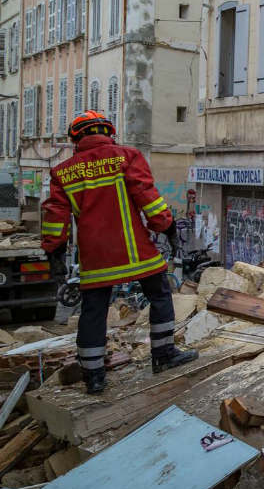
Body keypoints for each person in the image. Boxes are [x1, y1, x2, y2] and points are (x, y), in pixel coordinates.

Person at [40, 111, 198, 394]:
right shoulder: (127, 157)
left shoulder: (62, 172)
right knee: (160, 294)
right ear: (109, 132)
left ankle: (94, 377)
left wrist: (54, 255)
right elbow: (148, 198)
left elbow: (55, 217)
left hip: (95, 258)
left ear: (75, 138)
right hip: (136, 251)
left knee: (93, 312)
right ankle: (163, 356)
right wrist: (169, 229)